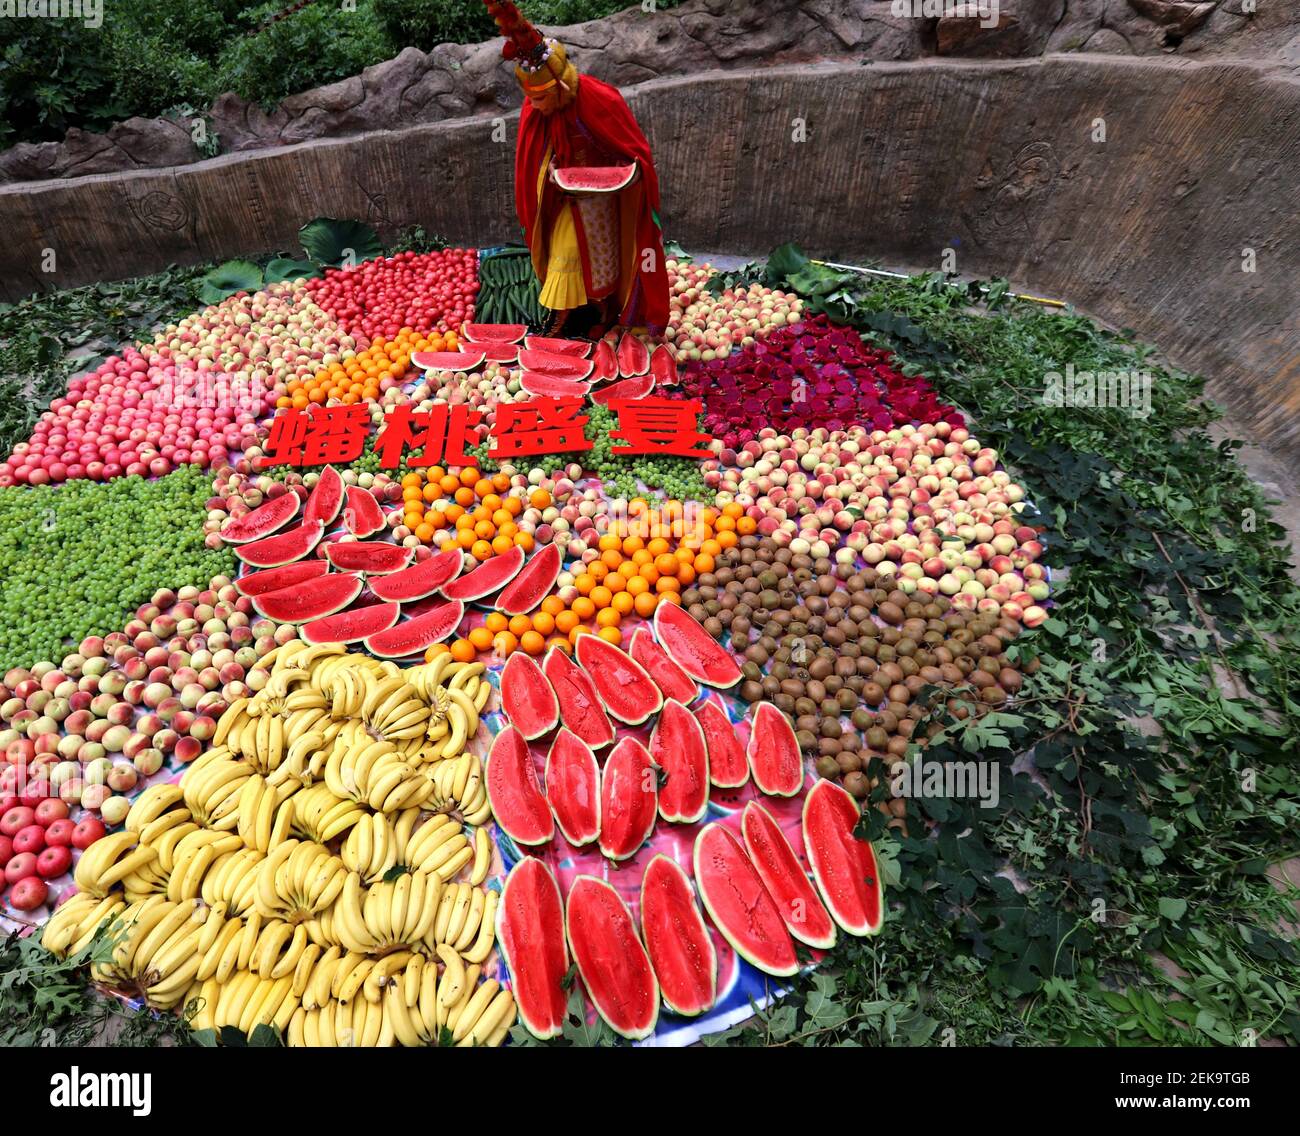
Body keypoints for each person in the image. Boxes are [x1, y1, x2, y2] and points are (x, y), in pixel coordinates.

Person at [484, 0, 670, 337]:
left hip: (608, 201)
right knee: (565, 254)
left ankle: (606, 311)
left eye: (541, 99)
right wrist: (549, 173)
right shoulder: (535, 109)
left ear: (562, 87)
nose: (534, 106)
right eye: (531, 98)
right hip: (564, 198)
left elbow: (635, 153)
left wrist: (627, 174)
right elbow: (533, 162)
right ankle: (561, 314)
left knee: (605, 264)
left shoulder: (602, 100)